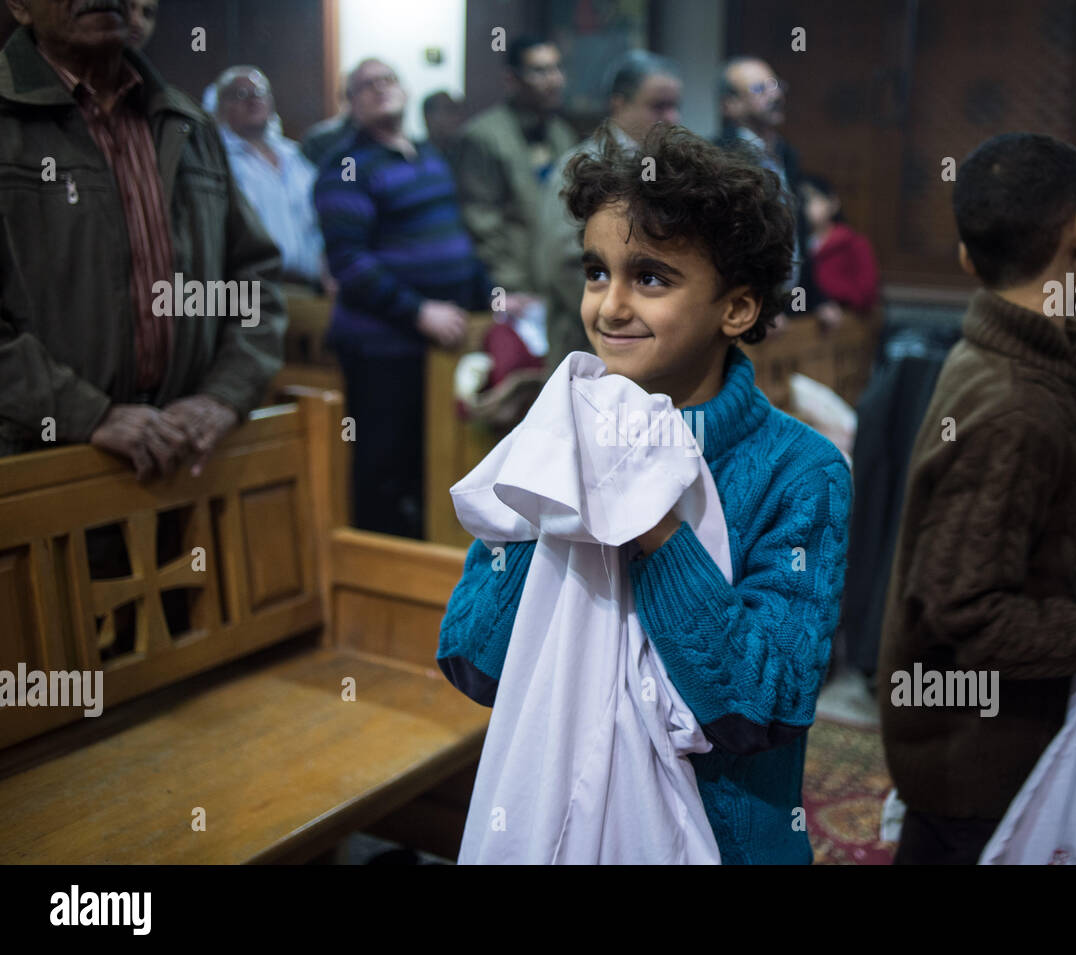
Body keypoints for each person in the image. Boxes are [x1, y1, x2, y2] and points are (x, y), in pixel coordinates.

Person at [437, 124, 851, 864]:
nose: (609, 306)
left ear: (738, 308)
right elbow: (475, 659)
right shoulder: (560, 434)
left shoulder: (801, 469)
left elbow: (761, 700)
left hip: (728, 838)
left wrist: (654, 529)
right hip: (559, 821)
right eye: (597, 272)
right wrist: (552, 482)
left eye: (651, 278)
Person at [879, 133, 1076, 864]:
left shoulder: (1010, 358)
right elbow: (971, 616)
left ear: (966, 260)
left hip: (972, 750)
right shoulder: (1015, 404)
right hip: (979, 757)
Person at [0, 0, 286, 476]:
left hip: (182, 466)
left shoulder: (185, 122)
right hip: (38, 473)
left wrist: (221, 396)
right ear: (20, 7)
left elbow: (250, 282)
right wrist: (87, 413)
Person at [313, 58, 489, 539]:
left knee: (424, 462)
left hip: (435, 344)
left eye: (387, 80)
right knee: (382, 466)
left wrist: (494, 298)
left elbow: (452, 237)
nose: (379, 90)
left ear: (406, 91)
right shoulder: (346, 165)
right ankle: (379, 579)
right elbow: (349, 264)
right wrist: (418, 311)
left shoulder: (427, 153)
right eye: (364, 86)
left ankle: (419, 568)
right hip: (381, 346)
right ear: (348, 103)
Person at [533, 49, 682, 369]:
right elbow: (562, 263)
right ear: (619, 104)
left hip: (653, 344)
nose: (671, 119)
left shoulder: (668, 166)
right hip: (589, 345)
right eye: (658, 106)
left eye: (674, 107)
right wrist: (631, 316)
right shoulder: (581, 166)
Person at [716, 56, 841, 330]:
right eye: (760, 89)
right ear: (731, 105)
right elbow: (727, 244)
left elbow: (799, 234)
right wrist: (757, 306)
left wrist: (817, 299)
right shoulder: (718, 158)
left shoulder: (787, 155)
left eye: (775, 85)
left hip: (788, 309)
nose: (775, 95)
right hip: (742, 310)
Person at [455, 35, 576, 297]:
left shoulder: (561, 133)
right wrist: (509, 286)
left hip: (560, 281)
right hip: (515, 286)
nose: (554, 80)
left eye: (557, 69)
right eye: (540, 71)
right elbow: (482, 222)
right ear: (512, 79)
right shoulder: (483, 136)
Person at [215, 66, 325, 288]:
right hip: (252, 292)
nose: (253, 100)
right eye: (241, 94)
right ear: (221, 107)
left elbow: (318, 222)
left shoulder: (296, 157)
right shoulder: (218, 160)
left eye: (259, 92)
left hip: (311, 289)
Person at [801, 173, 880, 314]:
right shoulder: (795, 245)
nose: (804, 207)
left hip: (845, 323)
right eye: (800, 200)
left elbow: (866, 295)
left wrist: (821, 293)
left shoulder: (854, 243)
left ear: (833, 203)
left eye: (811, 199)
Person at [422, 90, 464, 162]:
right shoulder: (414, 157)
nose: (456, 118)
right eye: (450, 110)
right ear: (428, 117)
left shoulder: (464, 155)